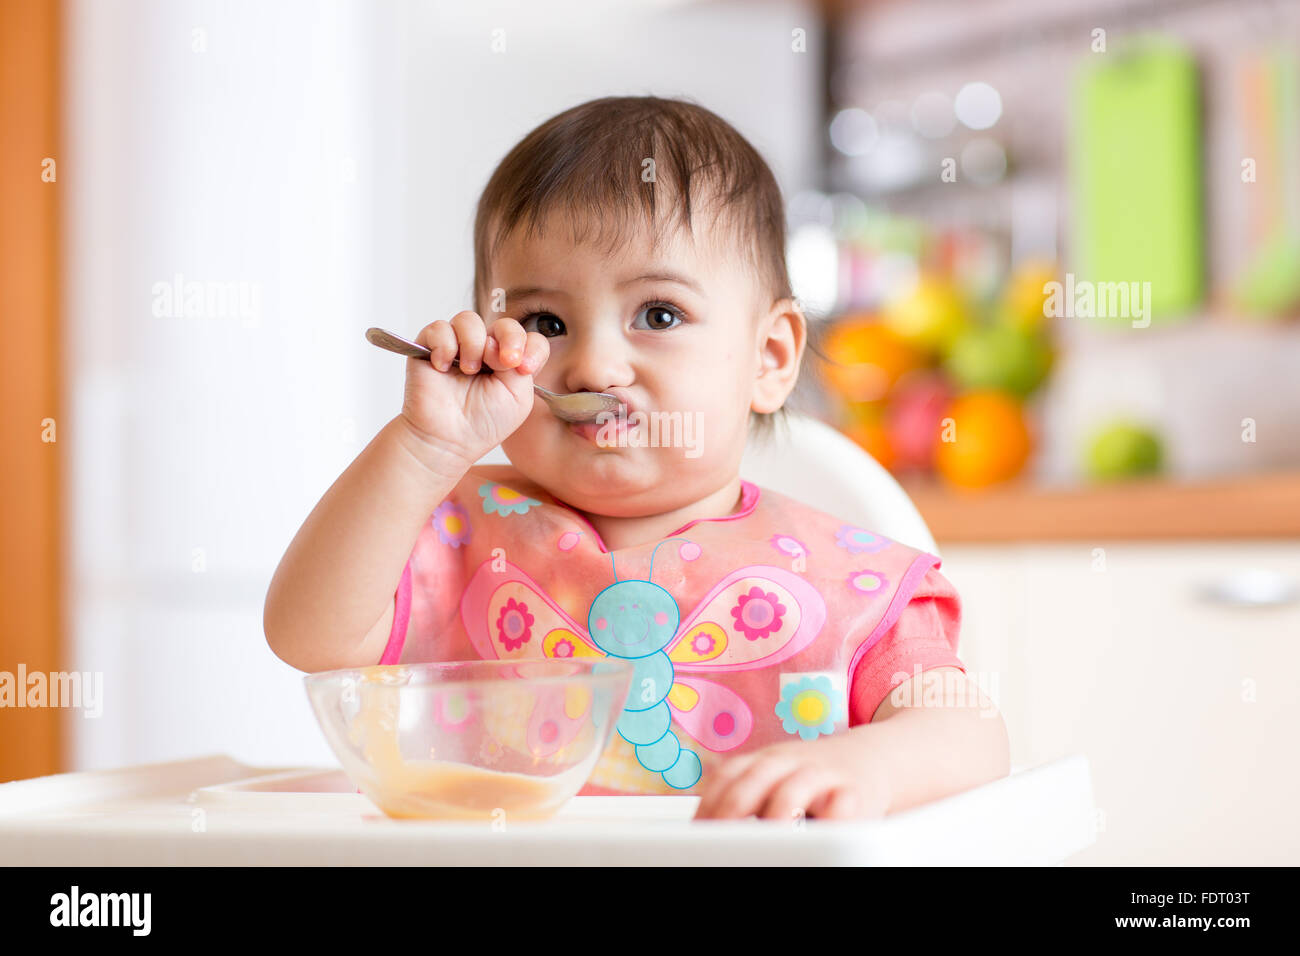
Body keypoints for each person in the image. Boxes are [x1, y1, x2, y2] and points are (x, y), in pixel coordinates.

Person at [265, 95, 1009, 820]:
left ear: (770, 357)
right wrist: (425, 448)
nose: (594, 365)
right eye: (544, 321)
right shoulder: (455, 533)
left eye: (659, 314)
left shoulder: (853, 585)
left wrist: (861, 766)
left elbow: (970, 733)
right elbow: (308, 636)